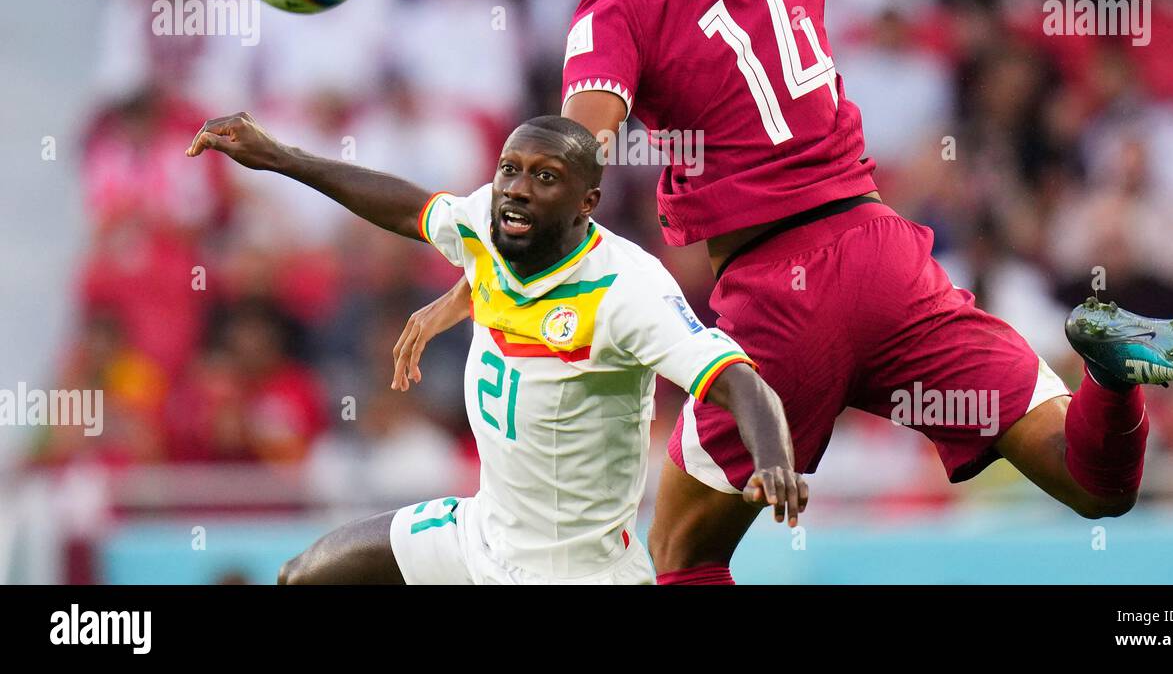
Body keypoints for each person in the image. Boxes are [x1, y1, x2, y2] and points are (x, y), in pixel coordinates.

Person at [400, 0, 1173, 586]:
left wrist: (487, 260)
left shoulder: (614, 8)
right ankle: (1107, 369)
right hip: (886, 256)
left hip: (779, 295)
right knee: (1094, 483)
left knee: (683, 556)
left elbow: (571, 156)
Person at [186, 112, 804, 584]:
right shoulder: (488, 222)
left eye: (546, 177)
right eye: (510, 169)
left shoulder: (627, 291)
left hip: (576, 573)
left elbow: (737, 380)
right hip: (480, 534)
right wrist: (277, 155)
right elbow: (408, 210)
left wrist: (774, 458)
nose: (517, 188)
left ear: (587, 203)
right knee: (304, 575)